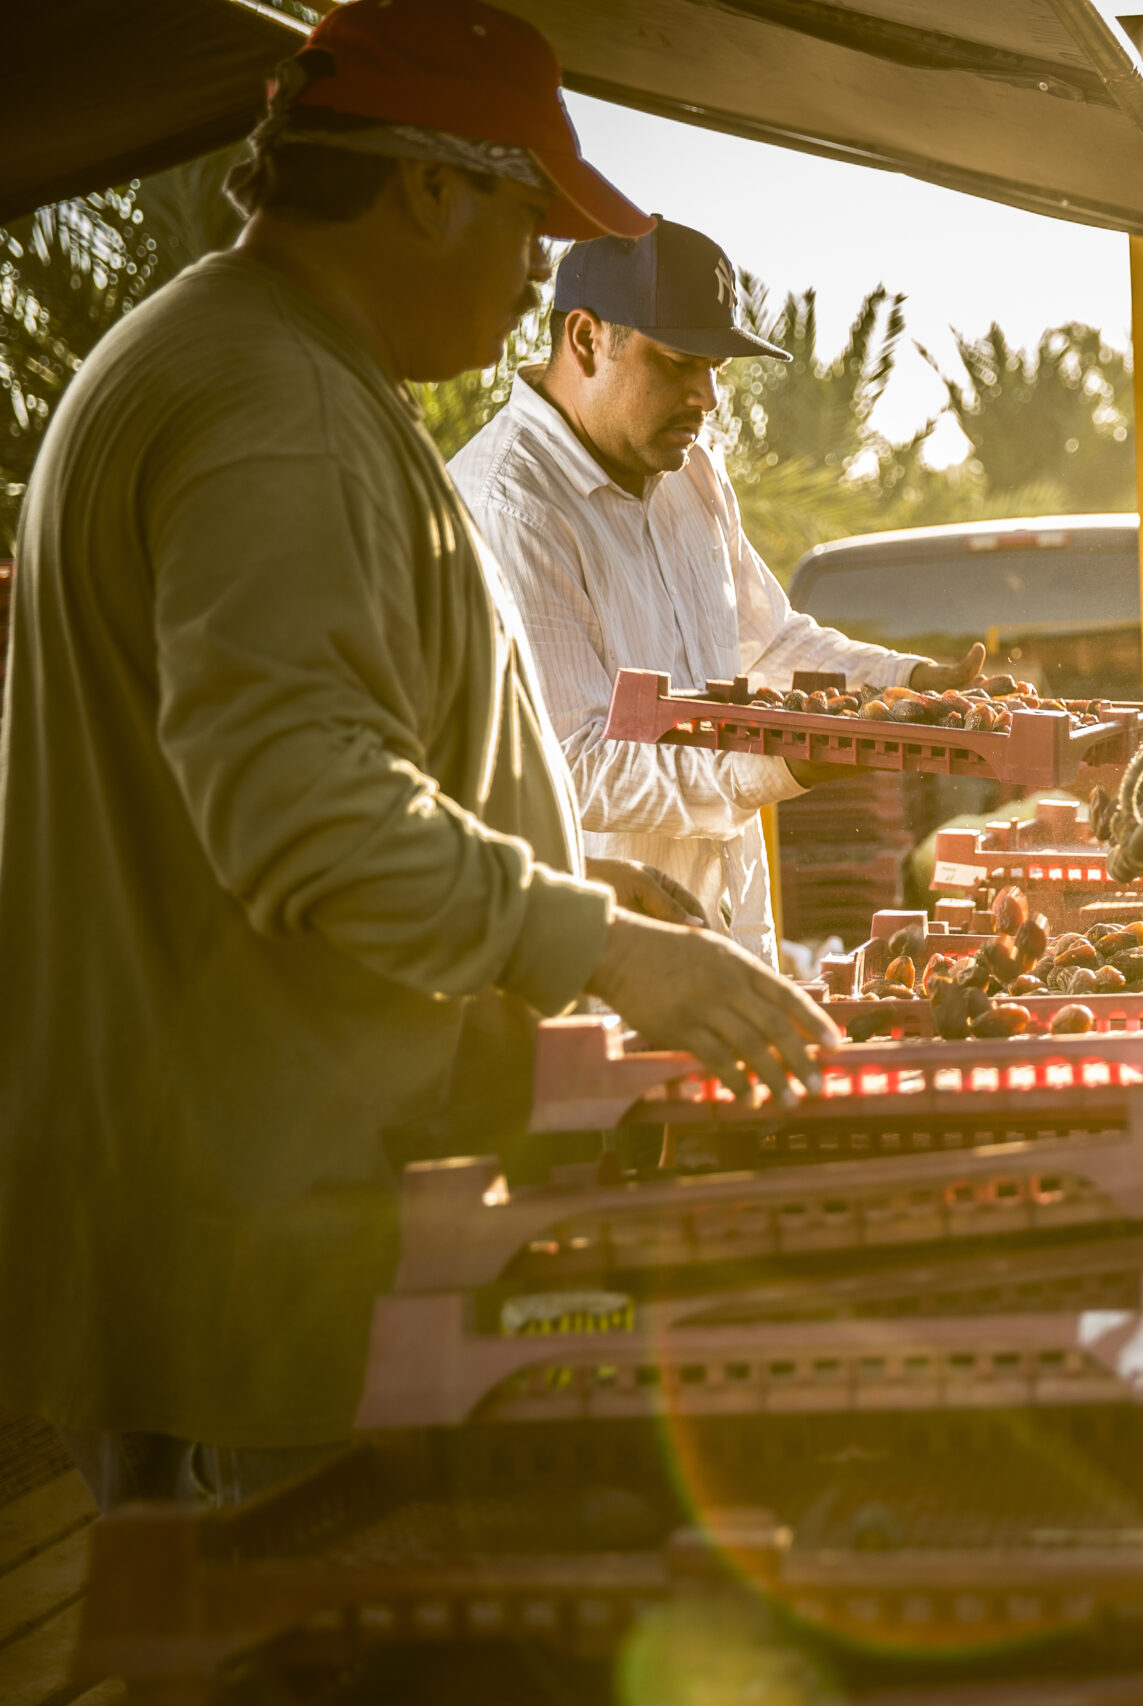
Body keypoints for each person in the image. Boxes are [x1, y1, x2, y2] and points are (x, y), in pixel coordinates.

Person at [0, 0, 840, 1511]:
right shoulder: (274, 407)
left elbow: (297, 767)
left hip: (254, 1217)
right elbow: (303, 811)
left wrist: (581, 881)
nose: (536, 272)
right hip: (259, 1251)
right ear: (428, 187)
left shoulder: (258, 360)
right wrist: (603, 947)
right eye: (529, 221)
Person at [449, 222, 983, 962]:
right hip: (603, 966)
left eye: (715, 368)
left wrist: (909, 686)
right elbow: (573, 765)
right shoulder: (508, 507)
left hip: (731, 936)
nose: (707, 397)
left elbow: (766, 641)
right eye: (679, 364)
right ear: (586, 340)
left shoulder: (691, 473)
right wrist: (787, 761)